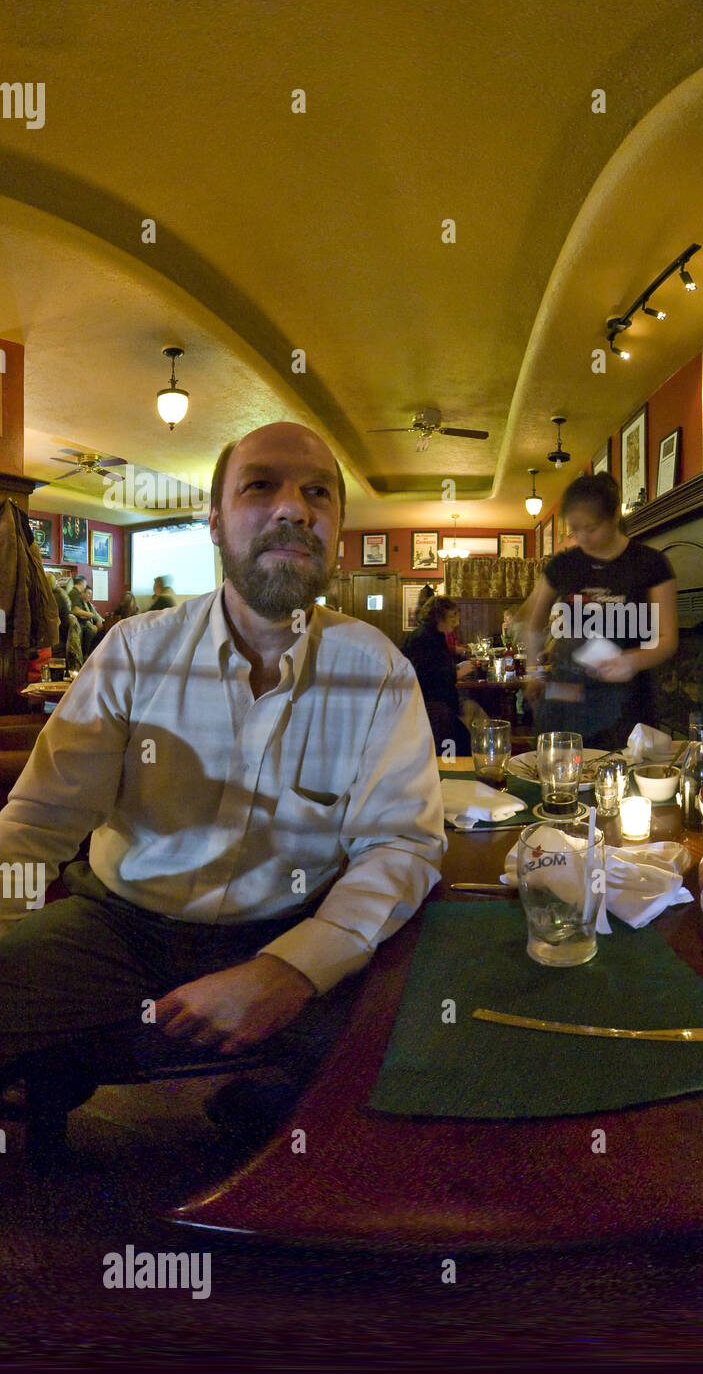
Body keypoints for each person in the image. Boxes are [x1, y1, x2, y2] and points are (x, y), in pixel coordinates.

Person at [0, 422, 445, 1132]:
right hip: (116, 928)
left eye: (317, 493)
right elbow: (37, 824)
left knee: (422, 1051)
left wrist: (293, 968)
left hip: (285, 924)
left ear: (336, 527)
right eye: (260, 485)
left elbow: (401, 843)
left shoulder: (379, 670)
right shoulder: (135, 651)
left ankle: (260, 1112)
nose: (293, 508)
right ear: (214, 521)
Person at [515, 473, 679, 753]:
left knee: (621, 772)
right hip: (566, 694)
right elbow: (533, 623)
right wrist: (534, 672)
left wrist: (630, 661)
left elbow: (668, 639)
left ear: (614, 516)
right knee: (560, 771)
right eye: (574, 529)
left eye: (590, 528)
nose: (582, 538)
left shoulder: (651, 564)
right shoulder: (563, 565)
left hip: (626, 699)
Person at [400, 595, 472, 755]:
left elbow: (436, 666)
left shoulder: (434, 635)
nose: (456, 622)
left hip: (439, 707)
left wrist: (455, 668)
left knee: (464, 737)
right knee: (455, 746)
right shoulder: (422, 638)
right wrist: (457, 672)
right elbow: (423, 676)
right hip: (430, 709)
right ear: (438, 616)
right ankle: (448, 768)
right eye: (453, 616)